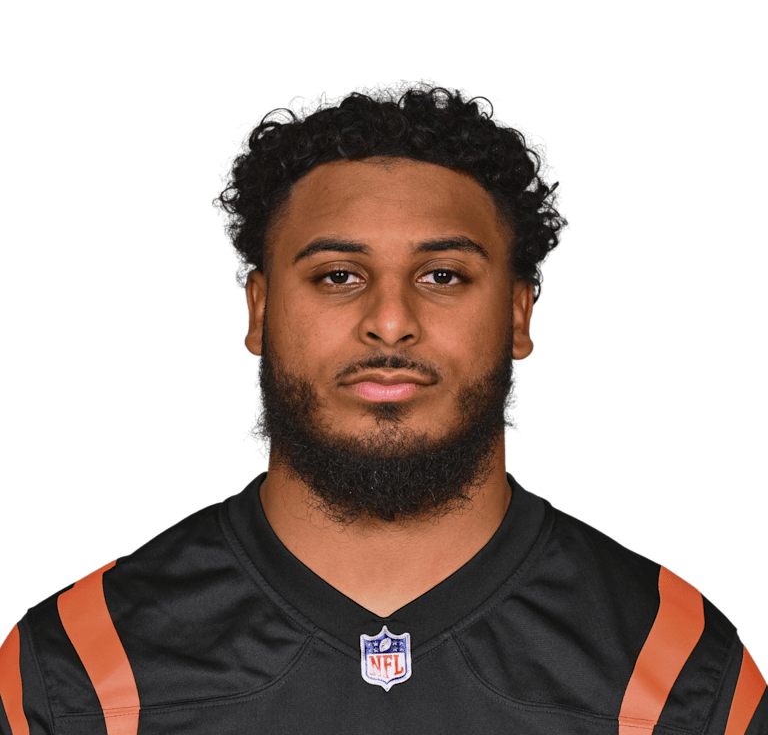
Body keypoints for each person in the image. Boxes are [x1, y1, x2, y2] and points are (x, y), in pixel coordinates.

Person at [0, 78, 764, 734]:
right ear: (259, 309)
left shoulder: (673, 668)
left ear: (519, 312)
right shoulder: (83, 668)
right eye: (337, 275)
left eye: (443, 276)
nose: (391, 321)